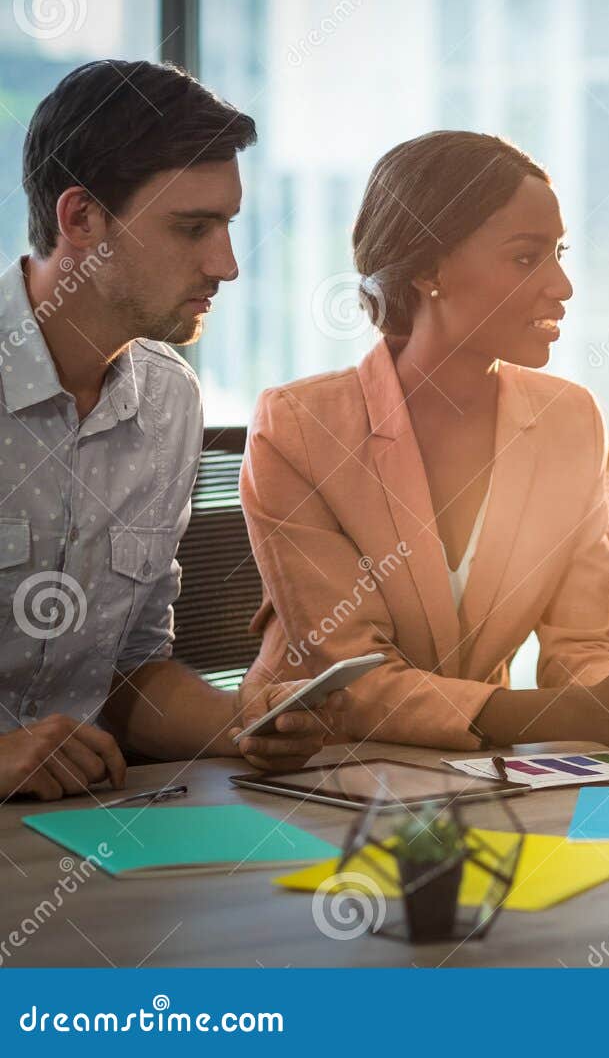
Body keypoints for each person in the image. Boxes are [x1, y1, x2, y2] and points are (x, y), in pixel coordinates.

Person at [240, 130, 609, 753]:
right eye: (526, 257)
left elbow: (581, 646)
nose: (563, 286)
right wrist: (578, 715)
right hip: (307, 767)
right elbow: (352, 682)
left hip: (474, 773)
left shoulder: (569, 419)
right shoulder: (299, 428)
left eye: (559, 253)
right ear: (430, 268)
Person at [0, 60, 348, 803]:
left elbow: (130, 671)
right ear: (81, 219)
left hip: (80, 832)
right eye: (193, 228)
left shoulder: (168, 398)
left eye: (227, 225)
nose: (225, 264)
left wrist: (243, 721)